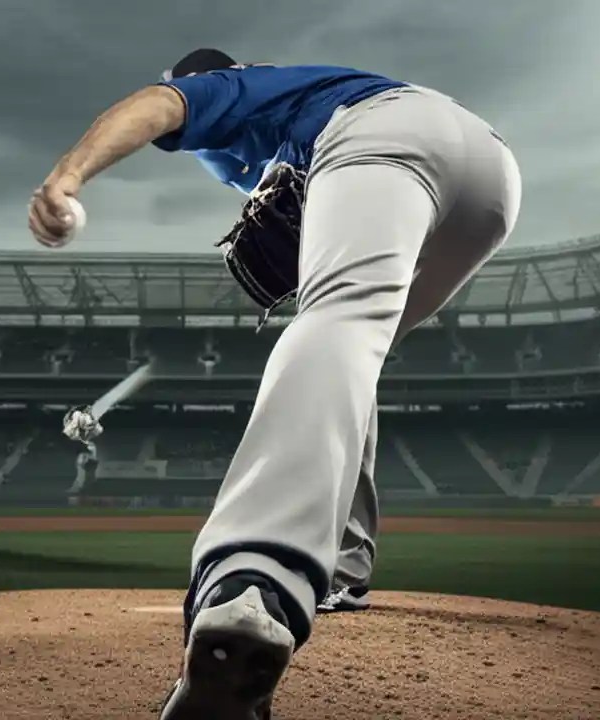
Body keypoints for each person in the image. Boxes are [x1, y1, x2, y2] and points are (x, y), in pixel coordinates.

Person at [27, 48, 521, 719]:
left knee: (336, 321)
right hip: (490, 180)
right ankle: (343, 571)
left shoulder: (227, 89)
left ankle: (254, 581)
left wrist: (66, 177)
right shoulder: (284, 119)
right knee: (354, 350)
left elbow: (154, 106)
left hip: (383, 136)